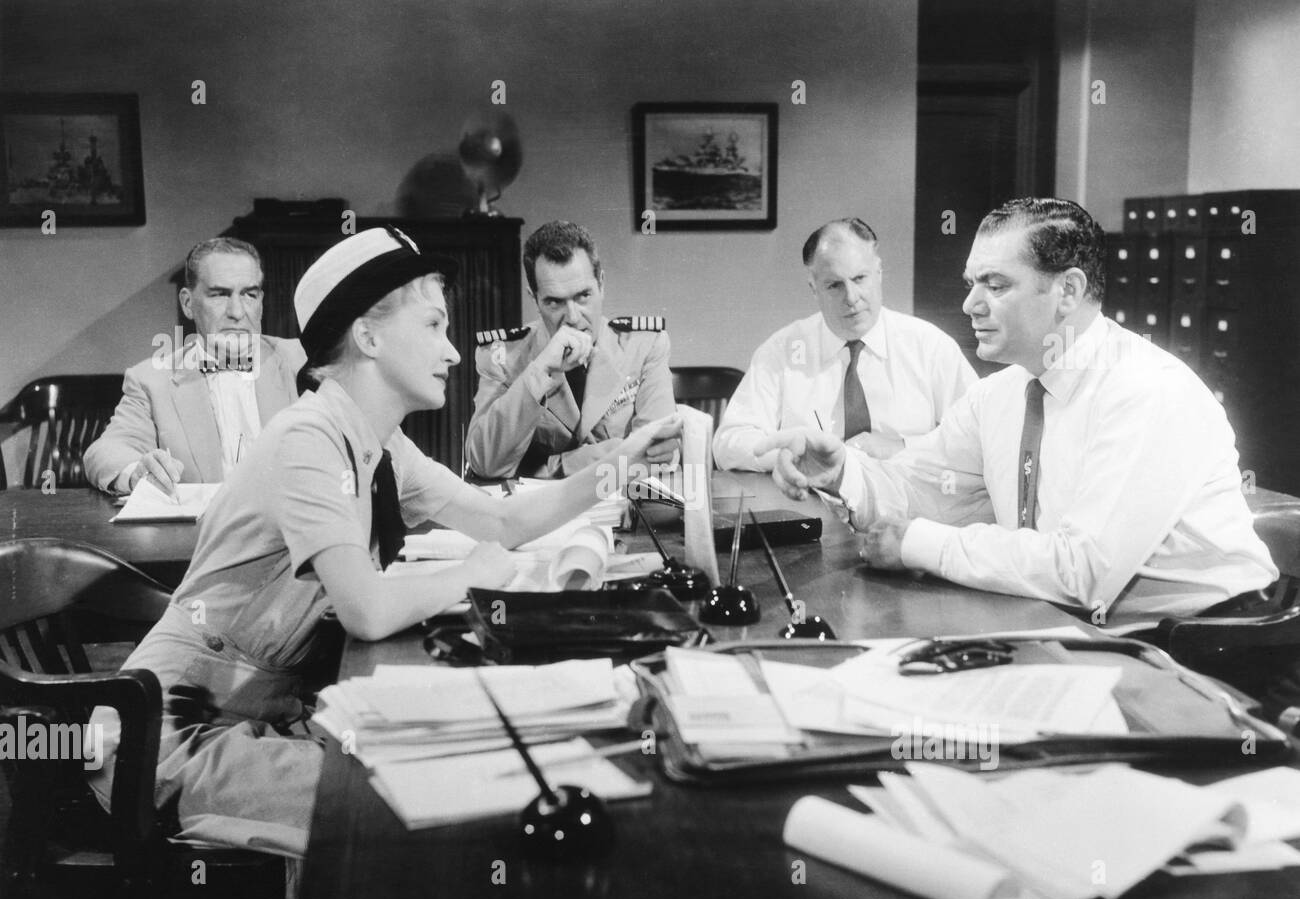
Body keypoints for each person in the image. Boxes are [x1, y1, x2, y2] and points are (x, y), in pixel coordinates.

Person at [86, 226, 681, 860]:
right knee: (404, 806)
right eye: (432, 327)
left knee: (467, 768)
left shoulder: (377, 440)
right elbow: (367, 610)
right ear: (367, 338)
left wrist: (625, 466)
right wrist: (471, 574)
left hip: (263, 718)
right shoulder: (307, 439)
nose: (452, 353)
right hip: (167, 733)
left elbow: (502, 522)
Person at [757, 197, 1276, 621]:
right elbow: (922, 490)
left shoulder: (1147, 391)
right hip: (1065, 628)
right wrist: (843, 471)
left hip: (1202, 648)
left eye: (996, 284)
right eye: (971, 284)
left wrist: (921, 545)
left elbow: (1083, 574)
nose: (970, 305)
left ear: (1068, 290)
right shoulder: (1002, 393)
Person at [712, 218, 975, 471]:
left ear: (879, 273)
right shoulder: (783, 351)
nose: (851, 298)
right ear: (814, 288)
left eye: (860, 278)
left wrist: (904, 447)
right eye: (834, 285)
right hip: (812, 502)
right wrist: (797, 455)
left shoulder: (929, 345)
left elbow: (978, 433)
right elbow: (729, 443)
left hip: (909, 502)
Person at [83, 237, 306, 494]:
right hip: (200, 531)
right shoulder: (151, 380)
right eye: (220, 294)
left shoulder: (301, 361)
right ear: (188, 304)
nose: (237, 311)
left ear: (261, 302)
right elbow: (106, 451)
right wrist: (136, 472)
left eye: (249, 294)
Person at [465, 220, 677, 479]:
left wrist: (551, 468)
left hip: (622, 506)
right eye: (554, 302)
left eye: (583, 296)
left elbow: (651, 455)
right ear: (534, 297)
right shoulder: (503, 357)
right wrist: (541, 370)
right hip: (538, 513)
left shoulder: (644, 345)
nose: (573, 317)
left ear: (601, 283)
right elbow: (484, 463)